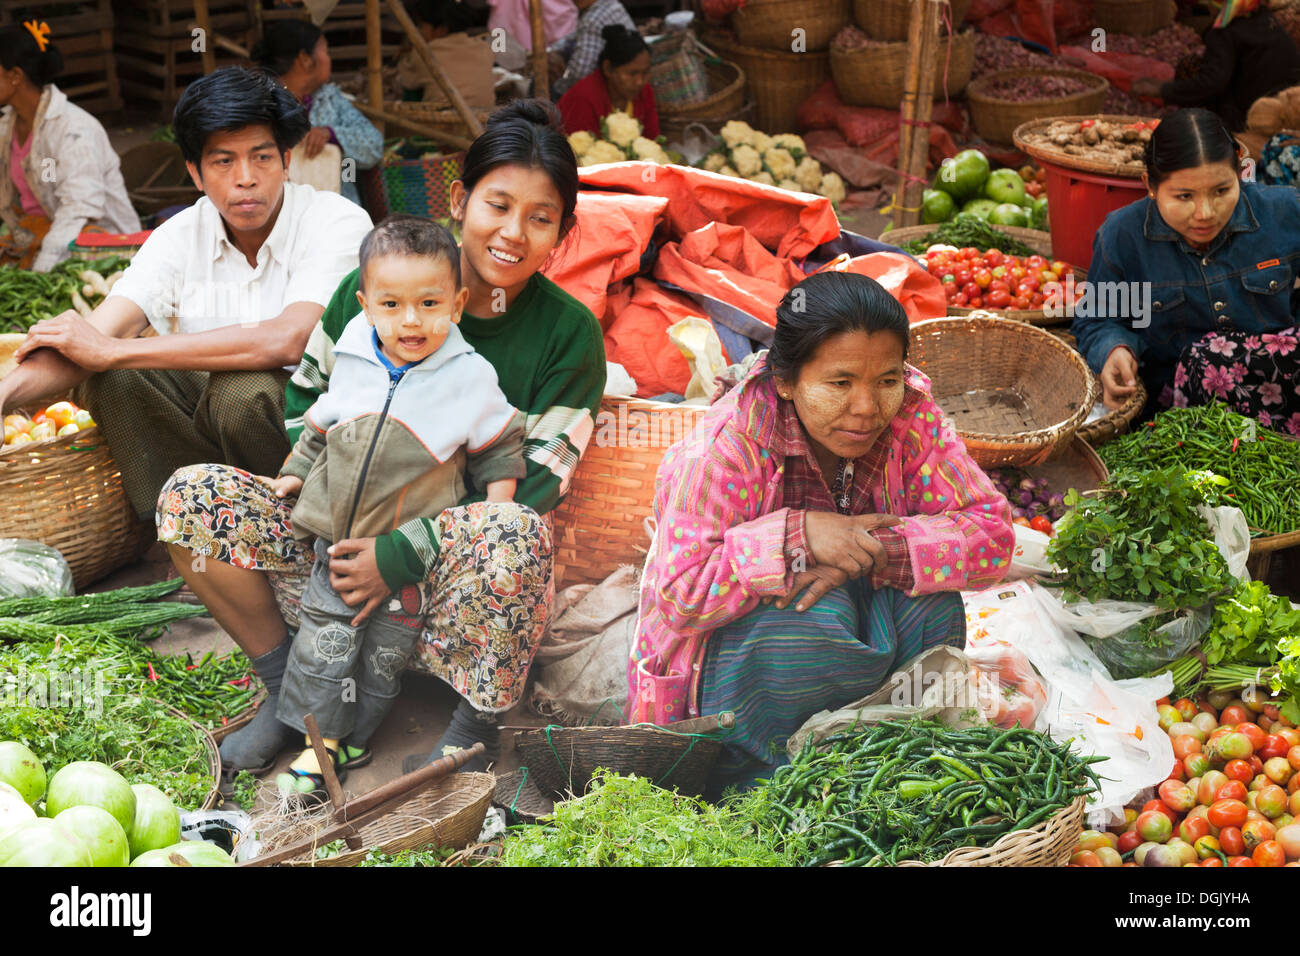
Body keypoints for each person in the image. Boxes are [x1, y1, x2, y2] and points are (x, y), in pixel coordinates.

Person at [157, 100, 606, 783]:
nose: (512, 232)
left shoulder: (569, 334)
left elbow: (539, 476)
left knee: (515, 529)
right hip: (333, 550)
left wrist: (397, 550)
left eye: (540, 218)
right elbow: (310, 397)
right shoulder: (373, 286)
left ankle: (468, 729)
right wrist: (339, 511)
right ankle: (289, 692)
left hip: (451, 574)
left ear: (562, 234)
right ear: (460, 199)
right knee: (191, 498)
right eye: (498, 204)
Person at [628, 272, 1014, 790]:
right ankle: (770, 779)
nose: (867, 408)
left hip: (857, 622)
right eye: (840, 383)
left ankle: (884, 756)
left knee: (934, 606)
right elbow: (680, 596)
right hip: (732, 670)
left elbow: (992, 536)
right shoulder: (727, 447)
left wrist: (869, 548)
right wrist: (800, 537)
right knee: (820, 618)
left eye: (887, 380)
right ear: (786, 380)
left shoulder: (912, 422)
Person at [0, 66, 372, 528]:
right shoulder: (178, 236)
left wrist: (113, 350)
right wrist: (5, 393)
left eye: (261, 158)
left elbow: (287, 340)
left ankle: (288, 529)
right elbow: (92, 336)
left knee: (240, 393)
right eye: (223, 162)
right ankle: (184, 530)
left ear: (286, 161)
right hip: (219, 433)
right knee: (109, 379)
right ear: (195, 172)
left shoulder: (336, 222)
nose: (246, 178)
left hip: (323, 436)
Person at [270, 216, 526, 801]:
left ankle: (355, 735)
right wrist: (294, 473)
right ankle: (320, 745)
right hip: (337, 543)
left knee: (384, 653)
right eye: (391, 304)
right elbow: (321, 424)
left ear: (458, 304)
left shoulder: (471, 378)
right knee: (326, 641)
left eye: (429, 302)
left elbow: (500, 449)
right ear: (364, 304)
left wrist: (496, 511)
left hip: (412, 553)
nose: (410, 320)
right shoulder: (354, 354)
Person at [1071, 108, 1300, 435]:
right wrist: (1114, 350)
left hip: (1279, 396)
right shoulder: (1123, 236)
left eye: (1222, 191)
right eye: (1184, 196)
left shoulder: (1286, 211)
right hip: (1175, 416)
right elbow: (1099, 318)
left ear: (1239, 170)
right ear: (1150, 185)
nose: (1205, 213)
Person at [0, 21, 139, 271]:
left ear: (15, 77)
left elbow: (77, 209)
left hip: (97, 242)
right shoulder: (7, 127)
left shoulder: (74, 130)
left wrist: (42, 270)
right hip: (45, 230)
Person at [253, 19, 383, 206]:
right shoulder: (259, 101)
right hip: (278, 212)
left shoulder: (331, 99)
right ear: (305, 60)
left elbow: (374, 147)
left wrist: (331, 134)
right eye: (325, 51)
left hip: (337, 212)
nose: (329, 59)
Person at [1131, 0, 1300, 132]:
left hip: (1256, 113)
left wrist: (1163, 90)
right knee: (1195, 65)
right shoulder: (1263, 16)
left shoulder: (1225, 31)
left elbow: (1213, 82)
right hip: (1288, 103)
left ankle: (1203, 127)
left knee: (1188, 67)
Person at [558, 24, 657, 139]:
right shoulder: (582, 98)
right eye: (632, 74)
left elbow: (651, 137)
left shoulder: (645, 91)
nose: (640, 81)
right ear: (608, 68)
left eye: (645, 72)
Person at [398, 0, 497, 111]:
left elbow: (406, 80)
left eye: (421, 26)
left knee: (412, 89)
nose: (418, 31)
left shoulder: (426, 52)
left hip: (440, 121)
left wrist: (407, 52)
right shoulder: (483, 47)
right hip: (482, 120)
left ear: (441, 30)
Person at [549, 0, 635, 99]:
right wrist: (553, 51)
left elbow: (580, 74)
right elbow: (573, 37)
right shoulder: (611, 4)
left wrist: (557, 87)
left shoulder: (593, 19)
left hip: (613, 90)